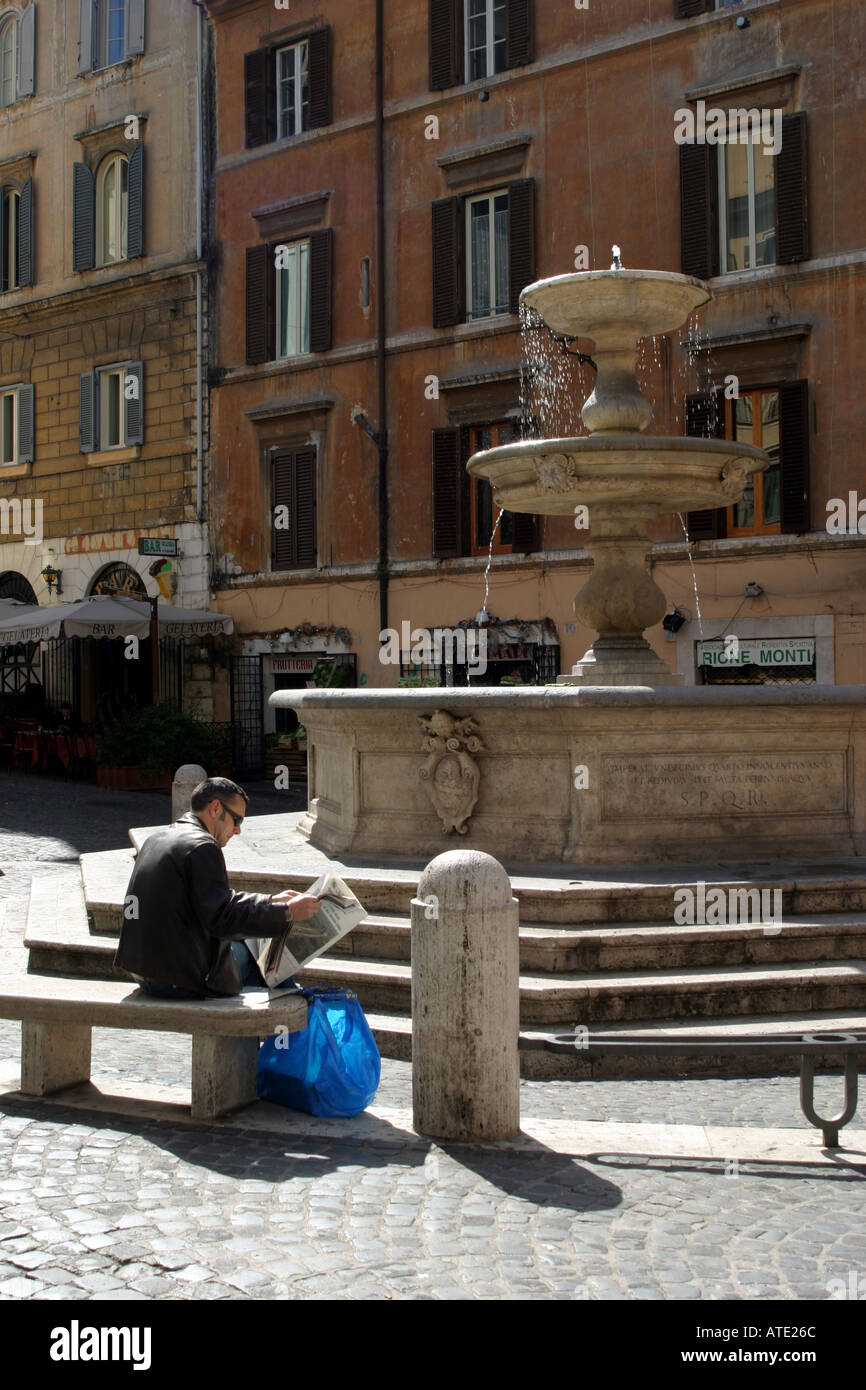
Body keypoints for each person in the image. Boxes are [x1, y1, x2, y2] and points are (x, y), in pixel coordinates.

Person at [115, 777, 319, 998]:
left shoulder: (157, 838)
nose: (239, 830)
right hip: (177, 978)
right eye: (237, 820)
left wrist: (270, 901)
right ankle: (287, 1018)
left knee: (252, 945)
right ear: (215, 808)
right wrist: (287, 912)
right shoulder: (203, 846)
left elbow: (216, 901)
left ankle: (286, 1012)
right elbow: (222, 918)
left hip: (144, 970)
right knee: (265, 961)